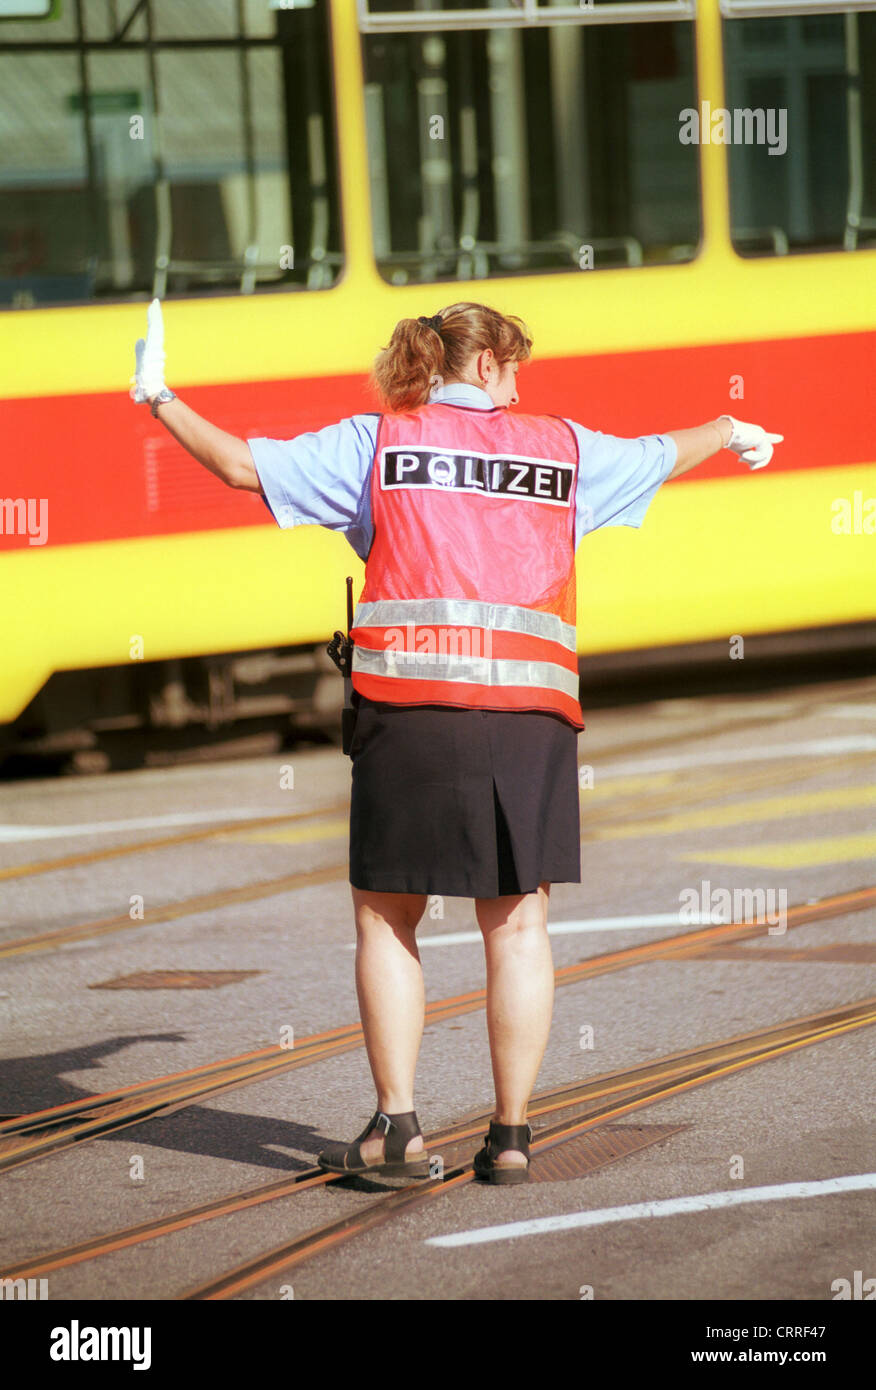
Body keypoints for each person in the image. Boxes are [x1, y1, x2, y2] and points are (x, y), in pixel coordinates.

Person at [131, 299, 782, 1184]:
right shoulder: (561, 447)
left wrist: (160, 397)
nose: (520, 388)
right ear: (485, 368)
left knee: (386, 915)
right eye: (514, 369)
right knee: (518, 924)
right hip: (531, 719)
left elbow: (243, 467)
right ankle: (510, 1136)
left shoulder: (380, 441)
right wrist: (731, 426)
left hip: (413, 716)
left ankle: (398, 1129)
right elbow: (661, 453)